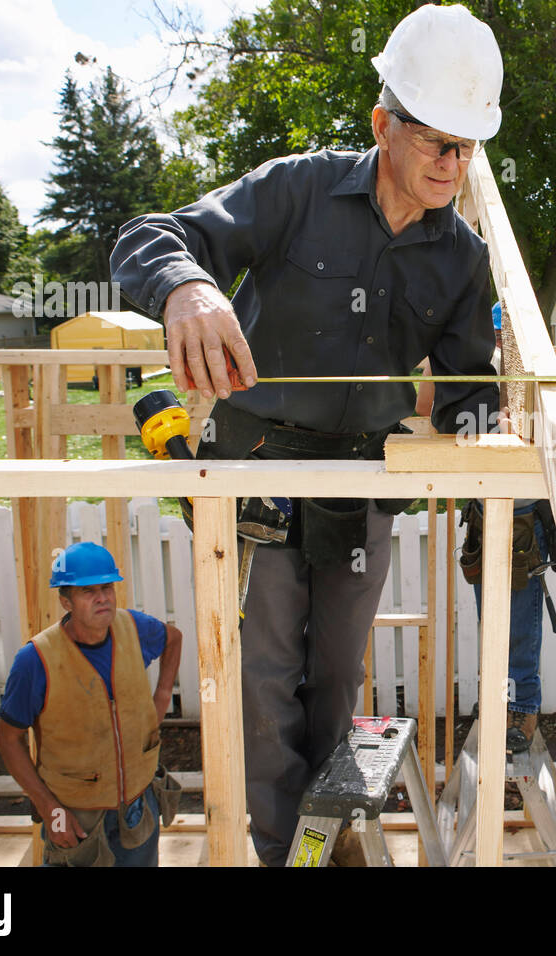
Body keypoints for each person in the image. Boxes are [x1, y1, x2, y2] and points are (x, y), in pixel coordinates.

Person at [109, 3, 506, 866]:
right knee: (264, 678)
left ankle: (321, 841)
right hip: (256, 469)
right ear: (384, 124)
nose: (453, 165)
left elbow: (469, 392)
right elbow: (151, 236)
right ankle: (276, 845)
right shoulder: (298, 190)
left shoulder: (462, 258)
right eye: (438, 142)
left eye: (467, 148)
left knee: (335, 679)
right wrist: (187, 288)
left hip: (361, 483)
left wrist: (495, 461)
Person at [416, 303, 556, 753]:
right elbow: (425, 406)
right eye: (497, 335)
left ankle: (521, 711)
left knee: (517, 620)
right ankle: (499, 706)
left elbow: (541, 429)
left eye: (504, 336)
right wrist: (428, 359)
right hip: (484, 508)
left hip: (522, 515)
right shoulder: (474, 364)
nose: (501, 343)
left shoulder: (534, 374)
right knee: (492, 618)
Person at [0, 542, 183, 866]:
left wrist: (162, 696)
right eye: (88, 591)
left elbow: (173, 638)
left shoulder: (134, 628)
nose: (103, 598)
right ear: (65, 600)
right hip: (74, 817)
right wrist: (49, 809)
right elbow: (8, 739)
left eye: (107, 587)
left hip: (137, 806)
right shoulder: (36, 659)